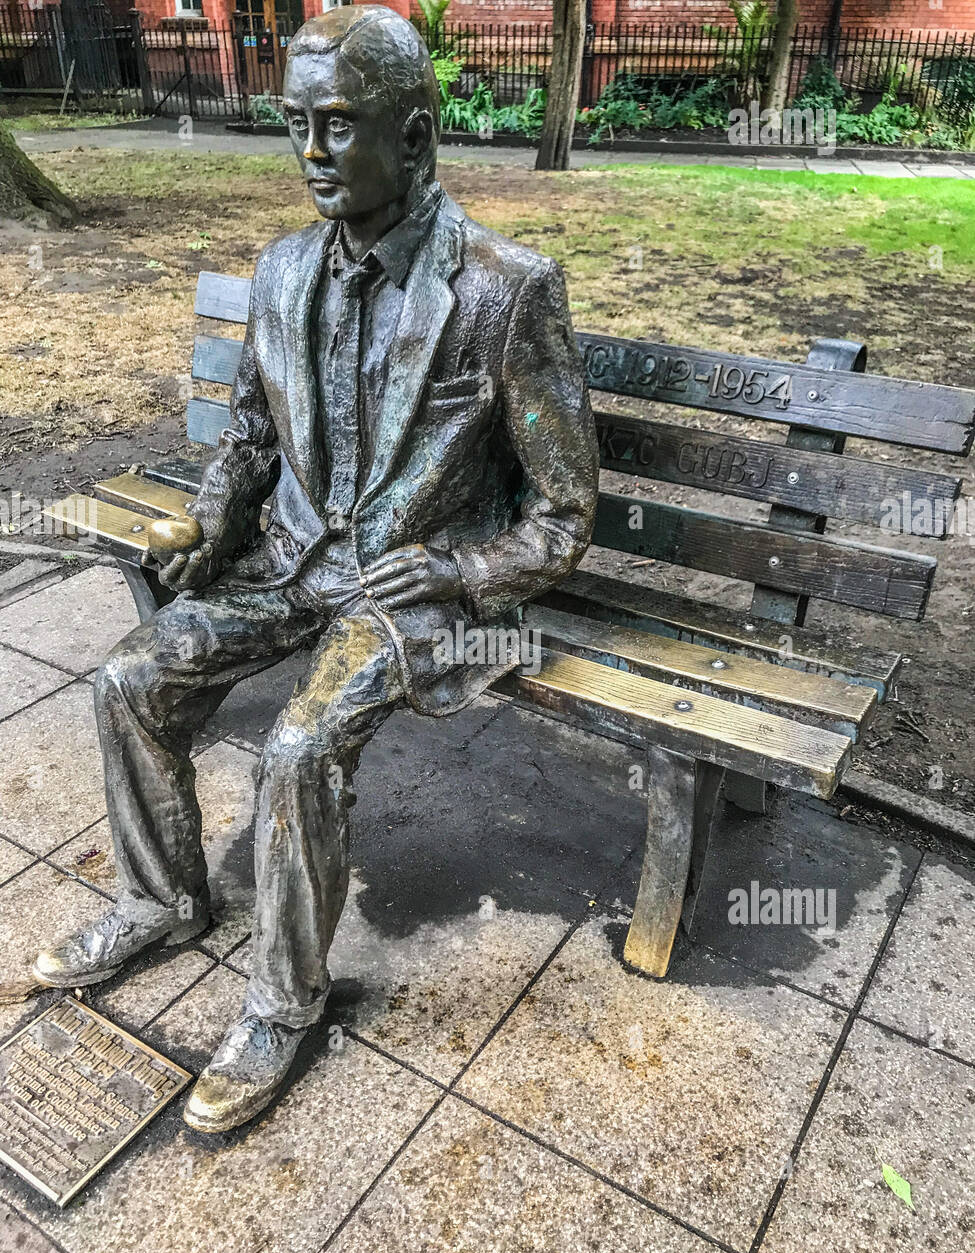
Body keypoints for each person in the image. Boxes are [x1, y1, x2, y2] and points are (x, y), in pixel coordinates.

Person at [33, 6, 599, 1133]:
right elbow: (248, 439)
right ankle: (161, 897)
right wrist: (207, 521)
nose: (311, 153)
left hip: (406, 590)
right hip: (288, 558)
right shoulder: (284, 269)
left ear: (420, 138)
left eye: (339, 126)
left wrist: (456, 569)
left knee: (298, 747)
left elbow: (566, 515)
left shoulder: (505, 292)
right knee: (131, 677)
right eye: (297, 124)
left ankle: (283, 1004)